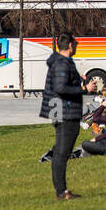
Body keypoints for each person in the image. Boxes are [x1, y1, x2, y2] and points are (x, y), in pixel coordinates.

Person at [38, 32, 90, 200]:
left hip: (62, 111)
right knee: (62, 153)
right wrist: (84, 89)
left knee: (62, 151)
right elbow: (61, 88)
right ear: (69, 46)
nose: (76, 46)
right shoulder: (61, 63)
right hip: (65, 112)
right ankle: (61, 191)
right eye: (75, 44)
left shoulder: (62, 62)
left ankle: (62, 190)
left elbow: (64, 84)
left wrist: (79, 82)